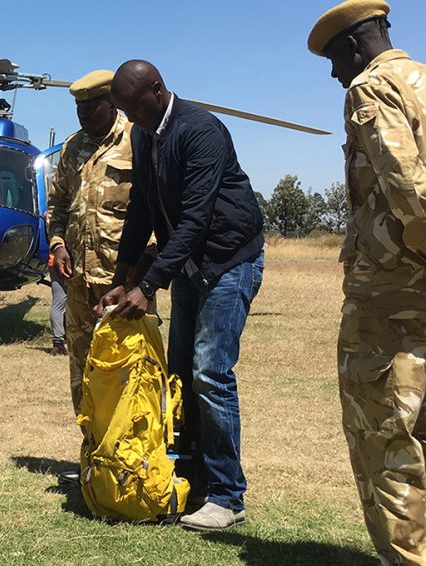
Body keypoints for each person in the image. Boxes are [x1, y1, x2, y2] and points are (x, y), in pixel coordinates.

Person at [99, 60, 265, 531]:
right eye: (124, 112)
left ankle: (229, 496)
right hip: (192, 265)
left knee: (210, 373)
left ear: (157, 90)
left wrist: (149, 286)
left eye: (133, 108)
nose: (130, 120)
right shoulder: (142, 134)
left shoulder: (202, 131)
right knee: (180, 375)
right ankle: (193, 479)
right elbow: (142, 208)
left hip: (229, 260)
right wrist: (124, 273)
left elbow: (195, 217)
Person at [308, 1, 426, 562]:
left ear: (355, 46)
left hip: (391, 303)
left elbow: (410, 193)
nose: (335, 75)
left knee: (386, 439)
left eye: (334, 60)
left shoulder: (371, 88)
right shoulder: (421, 80)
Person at [48, 70, 148, 415]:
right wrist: (58, 244)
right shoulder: (72, 147)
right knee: (82, 372)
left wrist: (142, 280)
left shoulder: (139, 139)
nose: (84, 118)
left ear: (113, 104)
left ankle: (125, 457)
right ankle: (91, 454)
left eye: (92, 110)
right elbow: (57, 205)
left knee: (125, 372)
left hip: (122, 286)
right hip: (78, 286)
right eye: (79, 112)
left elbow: (155, 212)